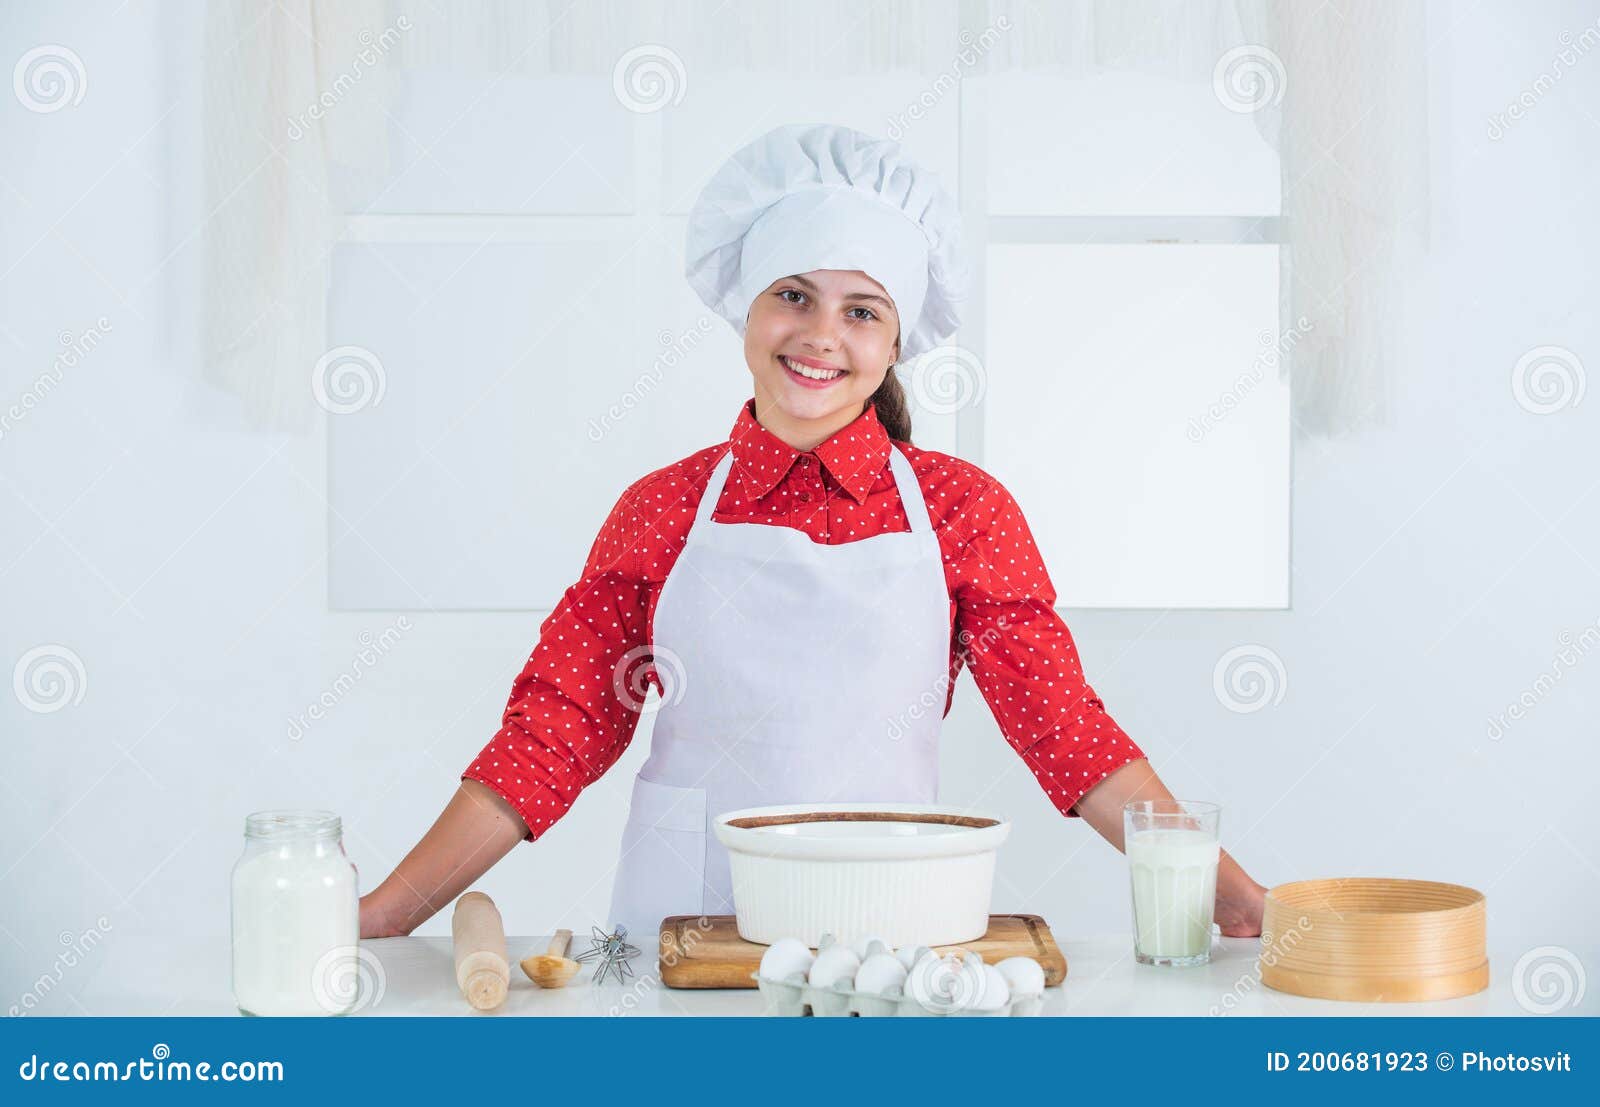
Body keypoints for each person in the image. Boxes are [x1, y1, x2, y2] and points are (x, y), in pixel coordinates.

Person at [359, 123, 1267, 942]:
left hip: (881, 938)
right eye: (794, 294)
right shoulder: (663, 509)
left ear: (897, 342)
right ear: (747, 311)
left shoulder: (961, 512)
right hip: (683, 934)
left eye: (861, 310)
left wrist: (1226, 894)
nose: (821, 334)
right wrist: (388, 913)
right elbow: (552, 730)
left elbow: (1066, 731)